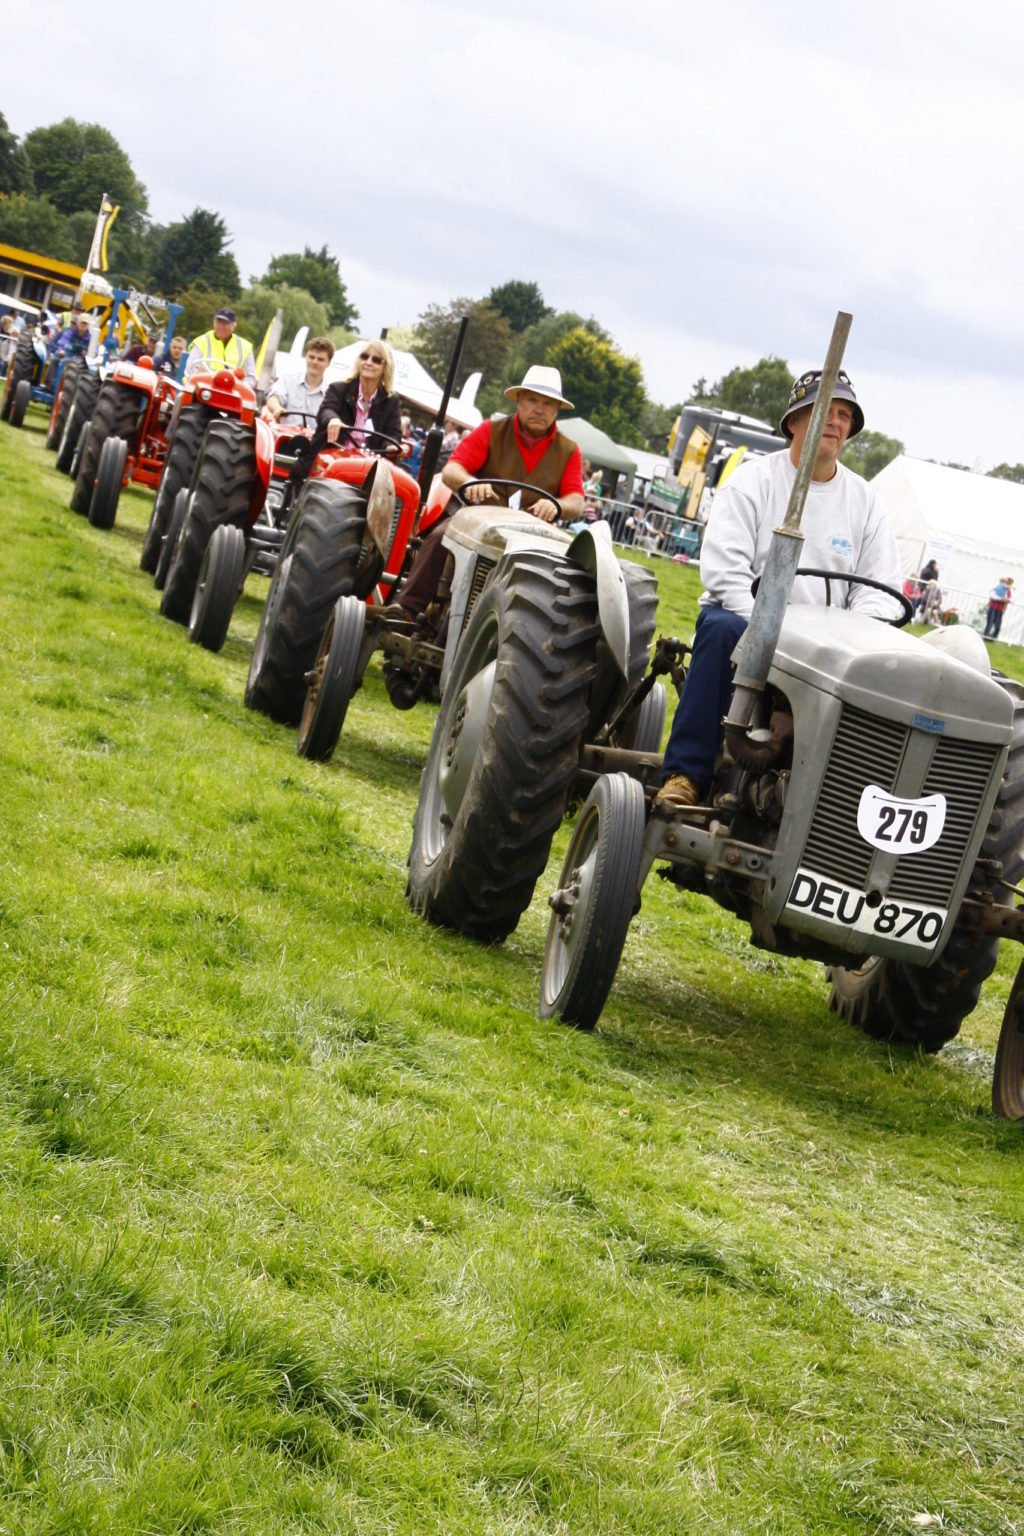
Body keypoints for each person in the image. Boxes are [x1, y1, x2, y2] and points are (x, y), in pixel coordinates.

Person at [657, 367, 903, 809]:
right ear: (794, 421)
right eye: (824, 410)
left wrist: (849, 637)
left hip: (829, 645)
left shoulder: (866, 503)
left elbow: (881, 590)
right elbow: (726, 571)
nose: (834, 422)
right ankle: (686, 773)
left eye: (844, 414)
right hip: (751, 623)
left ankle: (840, 804)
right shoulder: (752, 481)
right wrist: (769, 630)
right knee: (720, 628)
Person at [395, 364, 584, 618]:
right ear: (519, 401)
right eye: (533, 400)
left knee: (567, 573)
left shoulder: (569, 450)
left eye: (548, 403)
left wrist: (557, 505)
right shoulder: (490, 430)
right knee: (441, 535)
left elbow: (576, 500)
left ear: (557, 410)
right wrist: (470, 482)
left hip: (534, 533)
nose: (540, 409)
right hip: (480, 521)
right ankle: (407, 609)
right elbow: (452, 471)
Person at [264, 337, 334, 426]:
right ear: (305, 357)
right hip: (286, 432)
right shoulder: (287, 381)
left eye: (320, 359)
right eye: (311, 357)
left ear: (328, 363)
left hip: (314, 434)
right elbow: (274, 397)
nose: (315, 362)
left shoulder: (331, 394)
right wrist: (277, 408)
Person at [185, 307, 256, 388]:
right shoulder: (201, 342)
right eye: (219, 322)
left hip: (232, 391)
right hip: (203, 388)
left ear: (234, 326)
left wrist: (239, 386)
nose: (221, 326)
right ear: (214, 323)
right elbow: (190, 371)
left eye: (225, 323)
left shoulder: (246, 347)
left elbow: (250, 378)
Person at [984, 576, 1015, 640]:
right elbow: (992, 595)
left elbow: (1011, 599)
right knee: (990, 623)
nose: (1009, 584)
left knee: (997, 625)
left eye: (1010, 583)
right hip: (993, 607)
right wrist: (1001, 599)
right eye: (1008, 582)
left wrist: (1007, 600)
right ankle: (986, 636)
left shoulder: (1009, 591)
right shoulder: (998, 587)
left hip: (1000, 609)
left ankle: (993, 638)